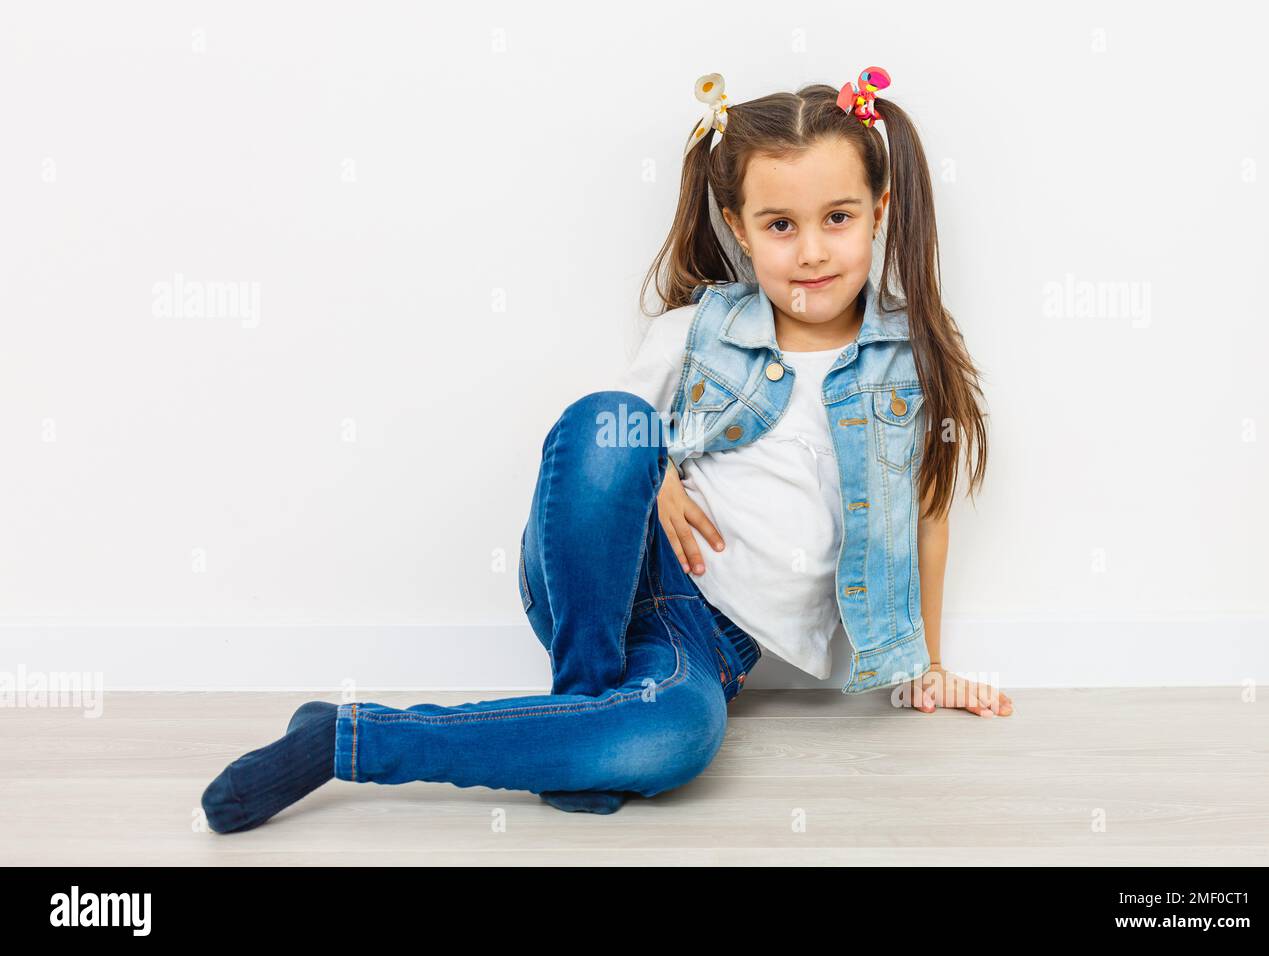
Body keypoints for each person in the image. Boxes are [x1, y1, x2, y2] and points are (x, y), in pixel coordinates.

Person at [201, 66, 1011, 835]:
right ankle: (585, 711)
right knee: (608, 419)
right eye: (779, 226)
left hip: (703, 644)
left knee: (675, 740)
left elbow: (927, 516)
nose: (811, 252)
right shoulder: (699, 328)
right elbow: (600, 443)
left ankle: (350, 738)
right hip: (605, 573)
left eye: (838, 218)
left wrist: (924, 667)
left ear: (880, 209)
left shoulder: (910, 364)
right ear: (738, 228)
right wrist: (654, 471)